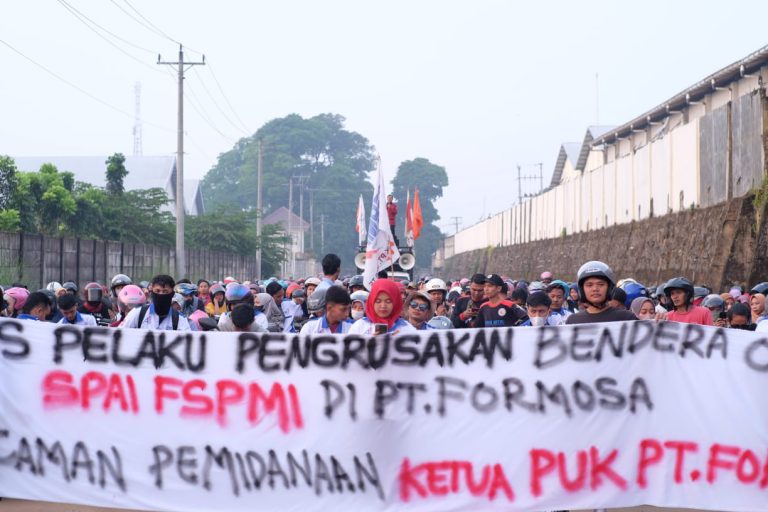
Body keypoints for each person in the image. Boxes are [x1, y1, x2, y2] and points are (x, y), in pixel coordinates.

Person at [566, 261, 637, 324]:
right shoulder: (573, 321)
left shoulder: (627, 317)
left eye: (601, 284)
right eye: (589, 285)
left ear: (609, 288)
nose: (595, 289)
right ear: (582, 290)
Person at [122, 274, 191, 330]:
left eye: (165, 291)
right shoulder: (138, 313)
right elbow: (120, 334)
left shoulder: (179, 319)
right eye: (157, 291)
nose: (161, 294)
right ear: (152, 292)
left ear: (172, 294)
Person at [349, 278, 416, 334]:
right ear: (371, 302)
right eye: (378, 301)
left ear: (395, 302)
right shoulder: (359, 327)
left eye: (388, 301)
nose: (383, 306)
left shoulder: (407, 329)